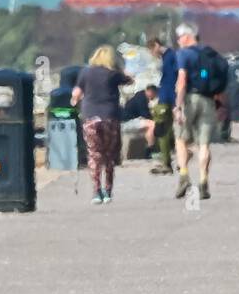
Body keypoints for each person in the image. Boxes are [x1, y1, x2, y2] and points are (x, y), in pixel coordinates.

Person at [72, 44, 133, 204]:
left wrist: (75, 103)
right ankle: (108, 191)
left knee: (94, 155)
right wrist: (121, 67)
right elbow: (130, 79)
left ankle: (96, 191)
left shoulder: (85, 72)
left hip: (90, 117)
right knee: (109, 156)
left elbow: (76, 94)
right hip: (109, 116)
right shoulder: (113, 74)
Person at [172, 23, 224, 200]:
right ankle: (203, 181)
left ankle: (184, 175)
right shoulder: (208, 54)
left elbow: (182, 80)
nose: (178, 41)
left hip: (189, 100)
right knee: (204, 145)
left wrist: (178, 106)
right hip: (208, 100)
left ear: (187, 36)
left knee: (180, 139)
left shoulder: (183, 54)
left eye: (179, 37)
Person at [147, 38, 175, 174]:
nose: (153, 54)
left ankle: (167, 162)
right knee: (168, 129)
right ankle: (169, 160)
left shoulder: (170, 57)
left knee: (162, 129)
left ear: (157, 45)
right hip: (168, 96)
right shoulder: (168, 57)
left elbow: (173, 79)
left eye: (152, 50)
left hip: (168, 97)